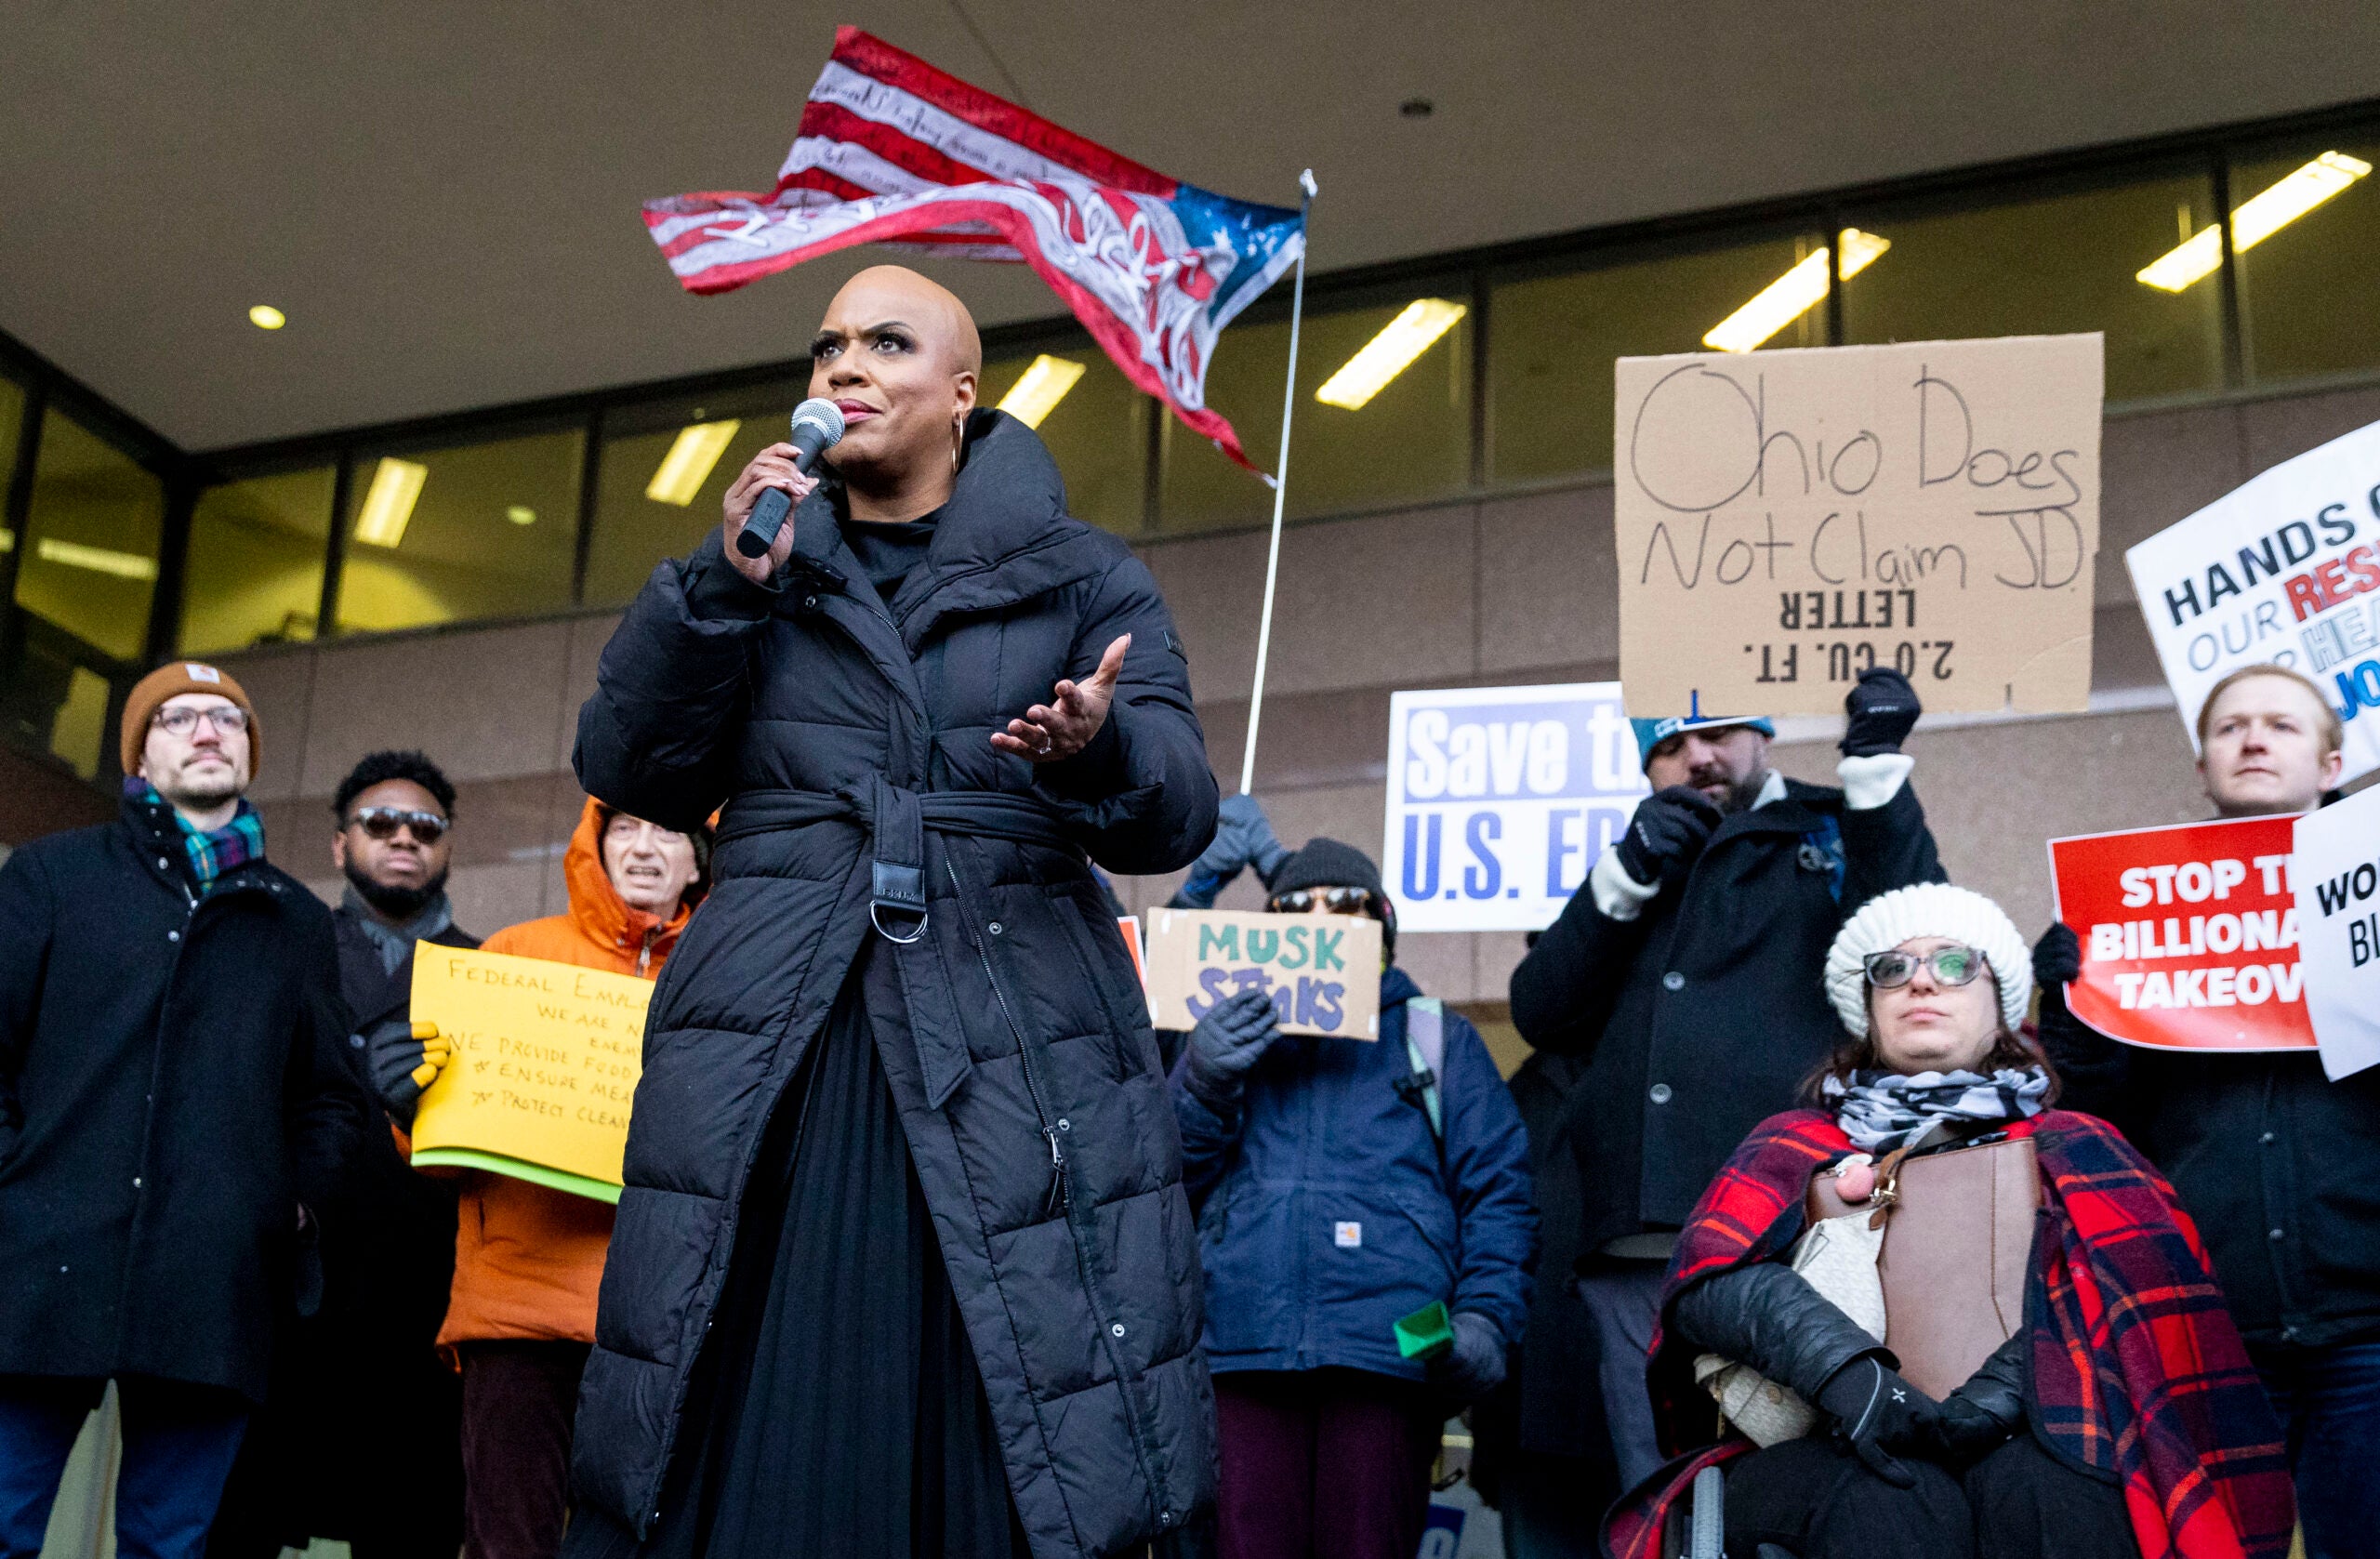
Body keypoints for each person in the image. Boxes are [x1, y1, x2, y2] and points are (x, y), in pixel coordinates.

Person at [562, 265, 1220, 1559]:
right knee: (741, 1385)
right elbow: (630, 764)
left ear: (964, 396)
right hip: (780, 1041)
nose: (842, 366)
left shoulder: (1085, 575)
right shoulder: (760, 565)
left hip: (1013, 1039)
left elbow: (1178, 804)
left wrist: (1092, 750)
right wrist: (716, 585)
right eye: (825, 348)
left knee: (1019, 1395)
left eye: (885, 342)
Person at [1606, 883, 2294, 1559]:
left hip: (2049, 1428)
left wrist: (2001, 1388)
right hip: (1826, 1439)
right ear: (1868, 1009)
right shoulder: (1793, 1139)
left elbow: (2143, 1294)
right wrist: (1851, 1374)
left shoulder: (2080, 1142)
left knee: (2053, 1500)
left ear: (1999, 1007)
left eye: (1956, 963)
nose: (1923, 982)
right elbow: (1707, 1282)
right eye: (1893, 968)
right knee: (1889, 1503)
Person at [1506, 670, 1943, 1489]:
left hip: (1786, 1219)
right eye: (1669, 745)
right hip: (1639, 1234)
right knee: (1660, 1485)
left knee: (1799, 1477)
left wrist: (1878, 769)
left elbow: (1919, 937)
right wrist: (1624, 876)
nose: (1696, 757)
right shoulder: (1636, 862)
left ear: (1763, 735)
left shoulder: (1833, 824)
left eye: (1716, 732)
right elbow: (1541, 1011)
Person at [0, 662, 365, 1559]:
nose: (207, 731)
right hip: (38, 1271)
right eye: (177, 718)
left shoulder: (298, 921)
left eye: (228, 719)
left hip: (213, 1288)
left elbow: (331, 1101)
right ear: (139, 755)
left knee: (168, 1549)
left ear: (249, 750)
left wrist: (286, 1206)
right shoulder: (52, 876)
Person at [2036, 662, 2380, 1559]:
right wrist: (2070, 1003)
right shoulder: (2137, 914)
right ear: (2202, 766)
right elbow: (2100, 1113)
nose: (2253, 739)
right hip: (2210, 1324)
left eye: (2280, 725)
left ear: (2334, 761)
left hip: (2369, 1326)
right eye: (2230, 727)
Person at [1169, 827, 1535, 1559]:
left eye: (1346, 901)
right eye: (1293, 906)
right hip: (1243, 1346)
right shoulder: (1225, 1044)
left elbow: (1501, 1194)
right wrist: (1200, 1081)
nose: (1319, 916)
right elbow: (1165, 1187)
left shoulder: (1437, 1038)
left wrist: (1485, 1320)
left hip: (1390, 1351)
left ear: (1383, 929)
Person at [370, 797, 706, 1559]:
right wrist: (409, 1109)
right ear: (594, 844)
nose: (645, 847)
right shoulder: (514, 955)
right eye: (624, 827)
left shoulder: (726, 978)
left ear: (700, 857)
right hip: (520, 1315)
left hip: (664, 1320)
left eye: (668, 829)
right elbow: (448, 1151)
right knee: (507, 1544)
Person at [209, 751, 476, 1559]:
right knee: (238, 1525)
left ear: (447, 846)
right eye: (380, 822)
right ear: (338, 844)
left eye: (425, 826)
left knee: (413, 1533)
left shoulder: (494, 972)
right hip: (287, 1304)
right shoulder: (279, 949)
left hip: (424, 1318)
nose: (404, 837)